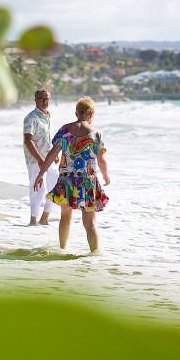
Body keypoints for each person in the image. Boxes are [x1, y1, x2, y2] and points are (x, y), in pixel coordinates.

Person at [34, 96, 110, 251]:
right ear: (91, 114)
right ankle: (94, 256)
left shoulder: (65, 130)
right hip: (88, 181)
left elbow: (51, 153)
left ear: (77, 113)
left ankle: (63, 250)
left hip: (66, 180)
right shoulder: (95, 133)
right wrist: (106, 176)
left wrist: (41, 173)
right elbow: (101, 160)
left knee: (65, 217)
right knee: (90, 223)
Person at [23, 88, 60, 225]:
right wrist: (39, 159)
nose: (44, 101)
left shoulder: (47, 116)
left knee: (56, 185)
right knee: (38, 188)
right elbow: (28, 140)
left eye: (47, 99)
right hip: (35, 159)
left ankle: (44, 218)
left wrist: (53, 153)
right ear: (35, 100)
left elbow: (47, 138)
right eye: (41, 99)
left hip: (48, 158)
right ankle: (33, 220)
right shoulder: (31, 118)